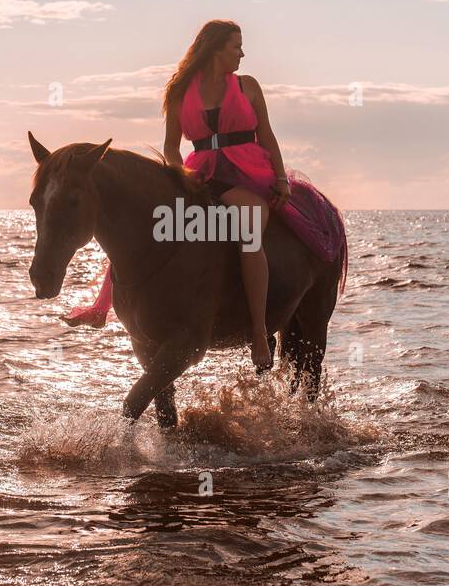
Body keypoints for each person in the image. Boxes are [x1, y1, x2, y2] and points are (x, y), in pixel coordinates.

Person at [65, 19, 345, 371]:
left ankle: (259, 332)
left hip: (248, 170)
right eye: (235, 46)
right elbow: (170, 146)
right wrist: (180, 176)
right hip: (200, 173)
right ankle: (102, 305)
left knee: (248, 228)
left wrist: (281, 178)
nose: (242, 53)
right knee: (150, 224)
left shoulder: (248, 87)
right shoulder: (179, 93)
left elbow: (268, 136)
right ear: (214, 48)